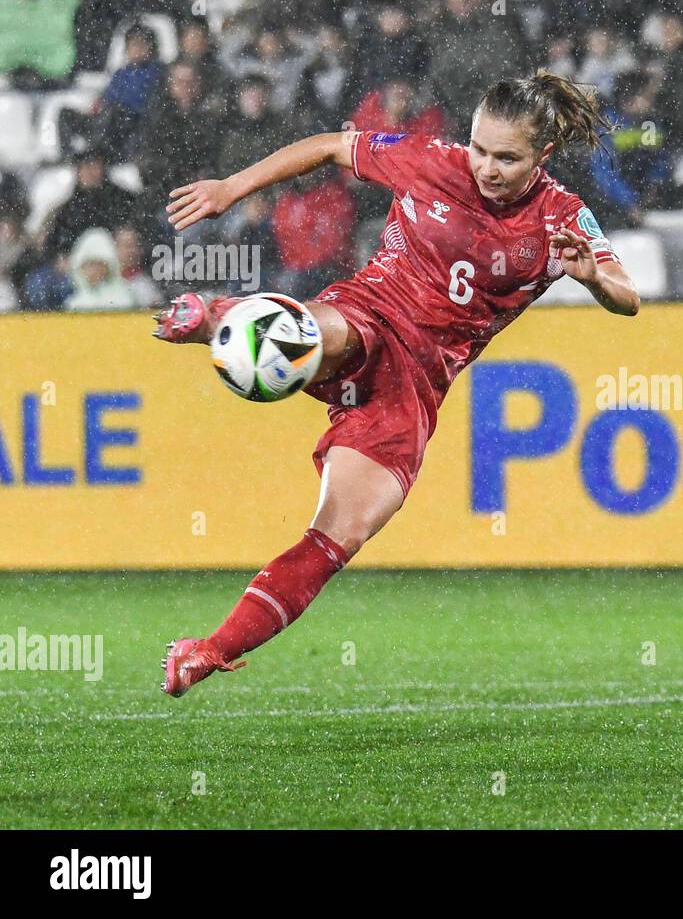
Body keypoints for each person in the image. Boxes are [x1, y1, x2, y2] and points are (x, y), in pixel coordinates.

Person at [152, 70, 639, 697]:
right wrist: (232, 187)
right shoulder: (433, 161)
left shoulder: (564, 218)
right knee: (322, 337)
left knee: (335, 538)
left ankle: (206, 651)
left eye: (506, 157)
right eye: (480, 148)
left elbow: (627, 295)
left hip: (414, 388)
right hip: (372, 311)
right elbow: (333, 145)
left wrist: (593, 278)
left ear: (542, 156)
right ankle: (222, 317)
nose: (487, 167)